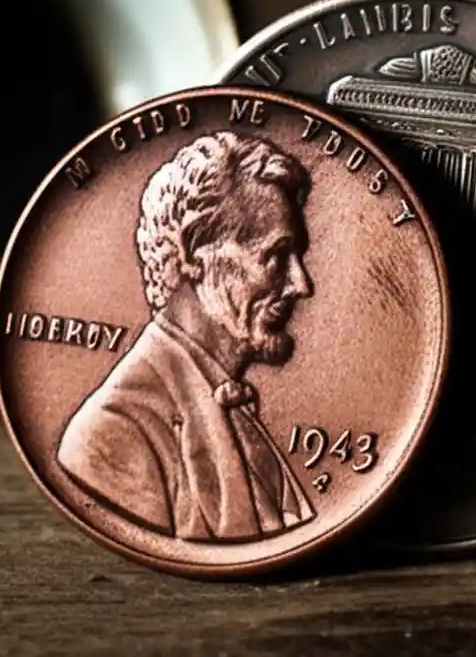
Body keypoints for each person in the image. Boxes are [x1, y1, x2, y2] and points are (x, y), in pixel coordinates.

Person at [56, 131, 317, 542]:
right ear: (196, 257)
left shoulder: (232, 403)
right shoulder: (114, 432)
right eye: (275, 256)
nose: (301, 284)